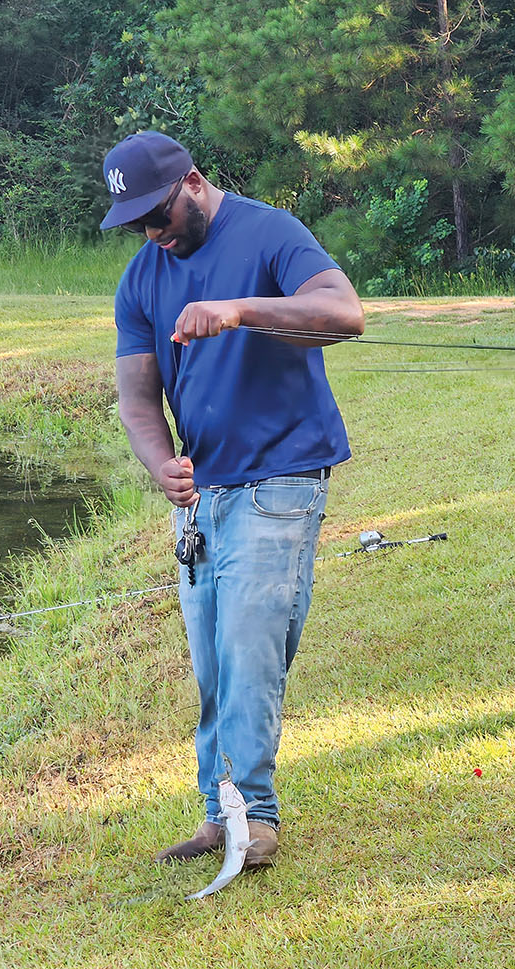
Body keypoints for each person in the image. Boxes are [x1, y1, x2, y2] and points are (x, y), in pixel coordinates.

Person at [99, 131, 365, 866]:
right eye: (137, 225)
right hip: (202, 496)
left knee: (250, 650)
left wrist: (243, 310)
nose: (153, 234)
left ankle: (256, 821)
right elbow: (137, 397)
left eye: (159, 215)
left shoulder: (269, 232)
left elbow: (345, 314)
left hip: (281, 478)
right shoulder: (140, 280)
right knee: (213, 662)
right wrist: (161, 465)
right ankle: (216, 817)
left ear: (192, 181)